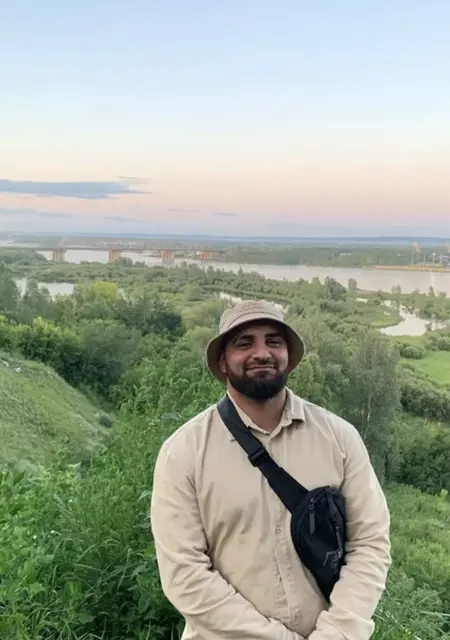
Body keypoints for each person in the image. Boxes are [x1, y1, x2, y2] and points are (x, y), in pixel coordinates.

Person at [150, 299, 391, 640]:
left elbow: (370, 544)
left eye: (273, 341)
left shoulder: (339, 438)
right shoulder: (183, 452)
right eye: (244, 343)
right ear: (223, 361)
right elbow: (184, 575)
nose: (261, 353)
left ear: (288, 355)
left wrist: (337, 633)